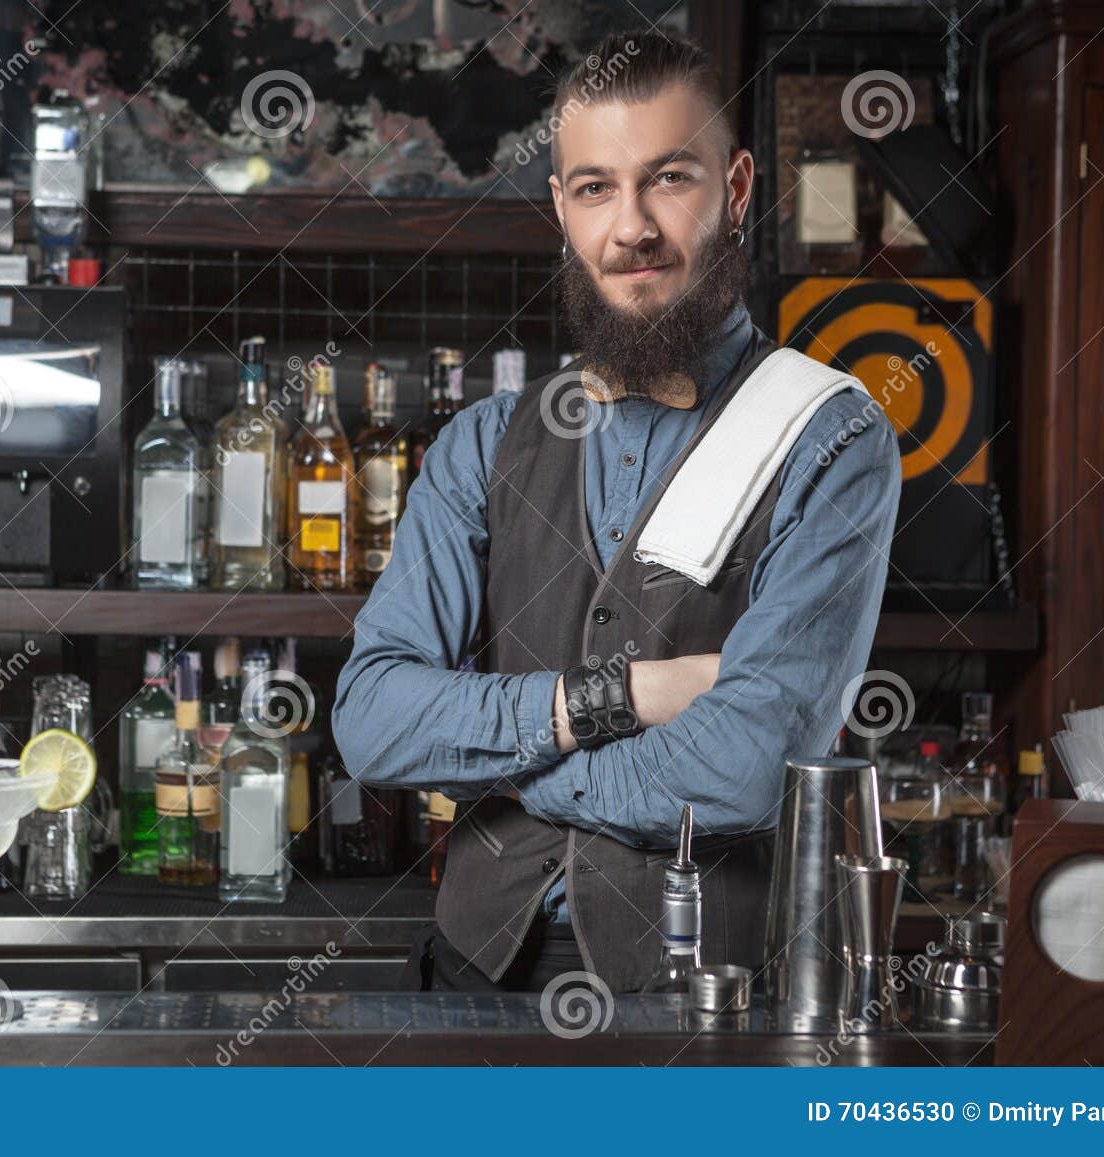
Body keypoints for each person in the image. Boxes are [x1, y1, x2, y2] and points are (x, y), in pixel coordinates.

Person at [331, 30, 901, 993]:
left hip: (702, 993)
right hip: (475, 972)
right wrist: (624, 696)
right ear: (561, 207)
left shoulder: (830, 438)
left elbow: (748, 766)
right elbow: (372, 720)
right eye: (594, 187)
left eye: (669, 179)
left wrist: (504, 767)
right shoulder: (484, 441)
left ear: (738, 186)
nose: (630, 227)